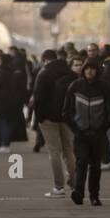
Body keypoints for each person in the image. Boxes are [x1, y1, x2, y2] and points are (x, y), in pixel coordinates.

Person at [64, 57, 110, 206]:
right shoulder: (75, 86)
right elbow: (67, 111)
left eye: (92, 68)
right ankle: (79, 193)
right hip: (80, 133)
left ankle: (94, 196)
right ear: (83, 70)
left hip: (98, 134)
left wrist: (103, 127)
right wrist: (75, 129)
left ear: (97, 70)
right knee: (81, 162)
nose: (90, 71)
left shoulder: (104, 87)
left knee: (95, 165)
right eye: (87, 68)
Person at [33, 49, 75, 196]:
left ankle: (59, 187)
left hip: (48, 119)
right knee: (69, 151)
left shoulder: (44, 73)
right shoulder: (69, 73)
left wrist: (39, 118)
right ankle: (75, 184)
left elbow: (38, 99)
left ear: (45, 60)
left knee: (54, 152)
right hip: (65, 118)